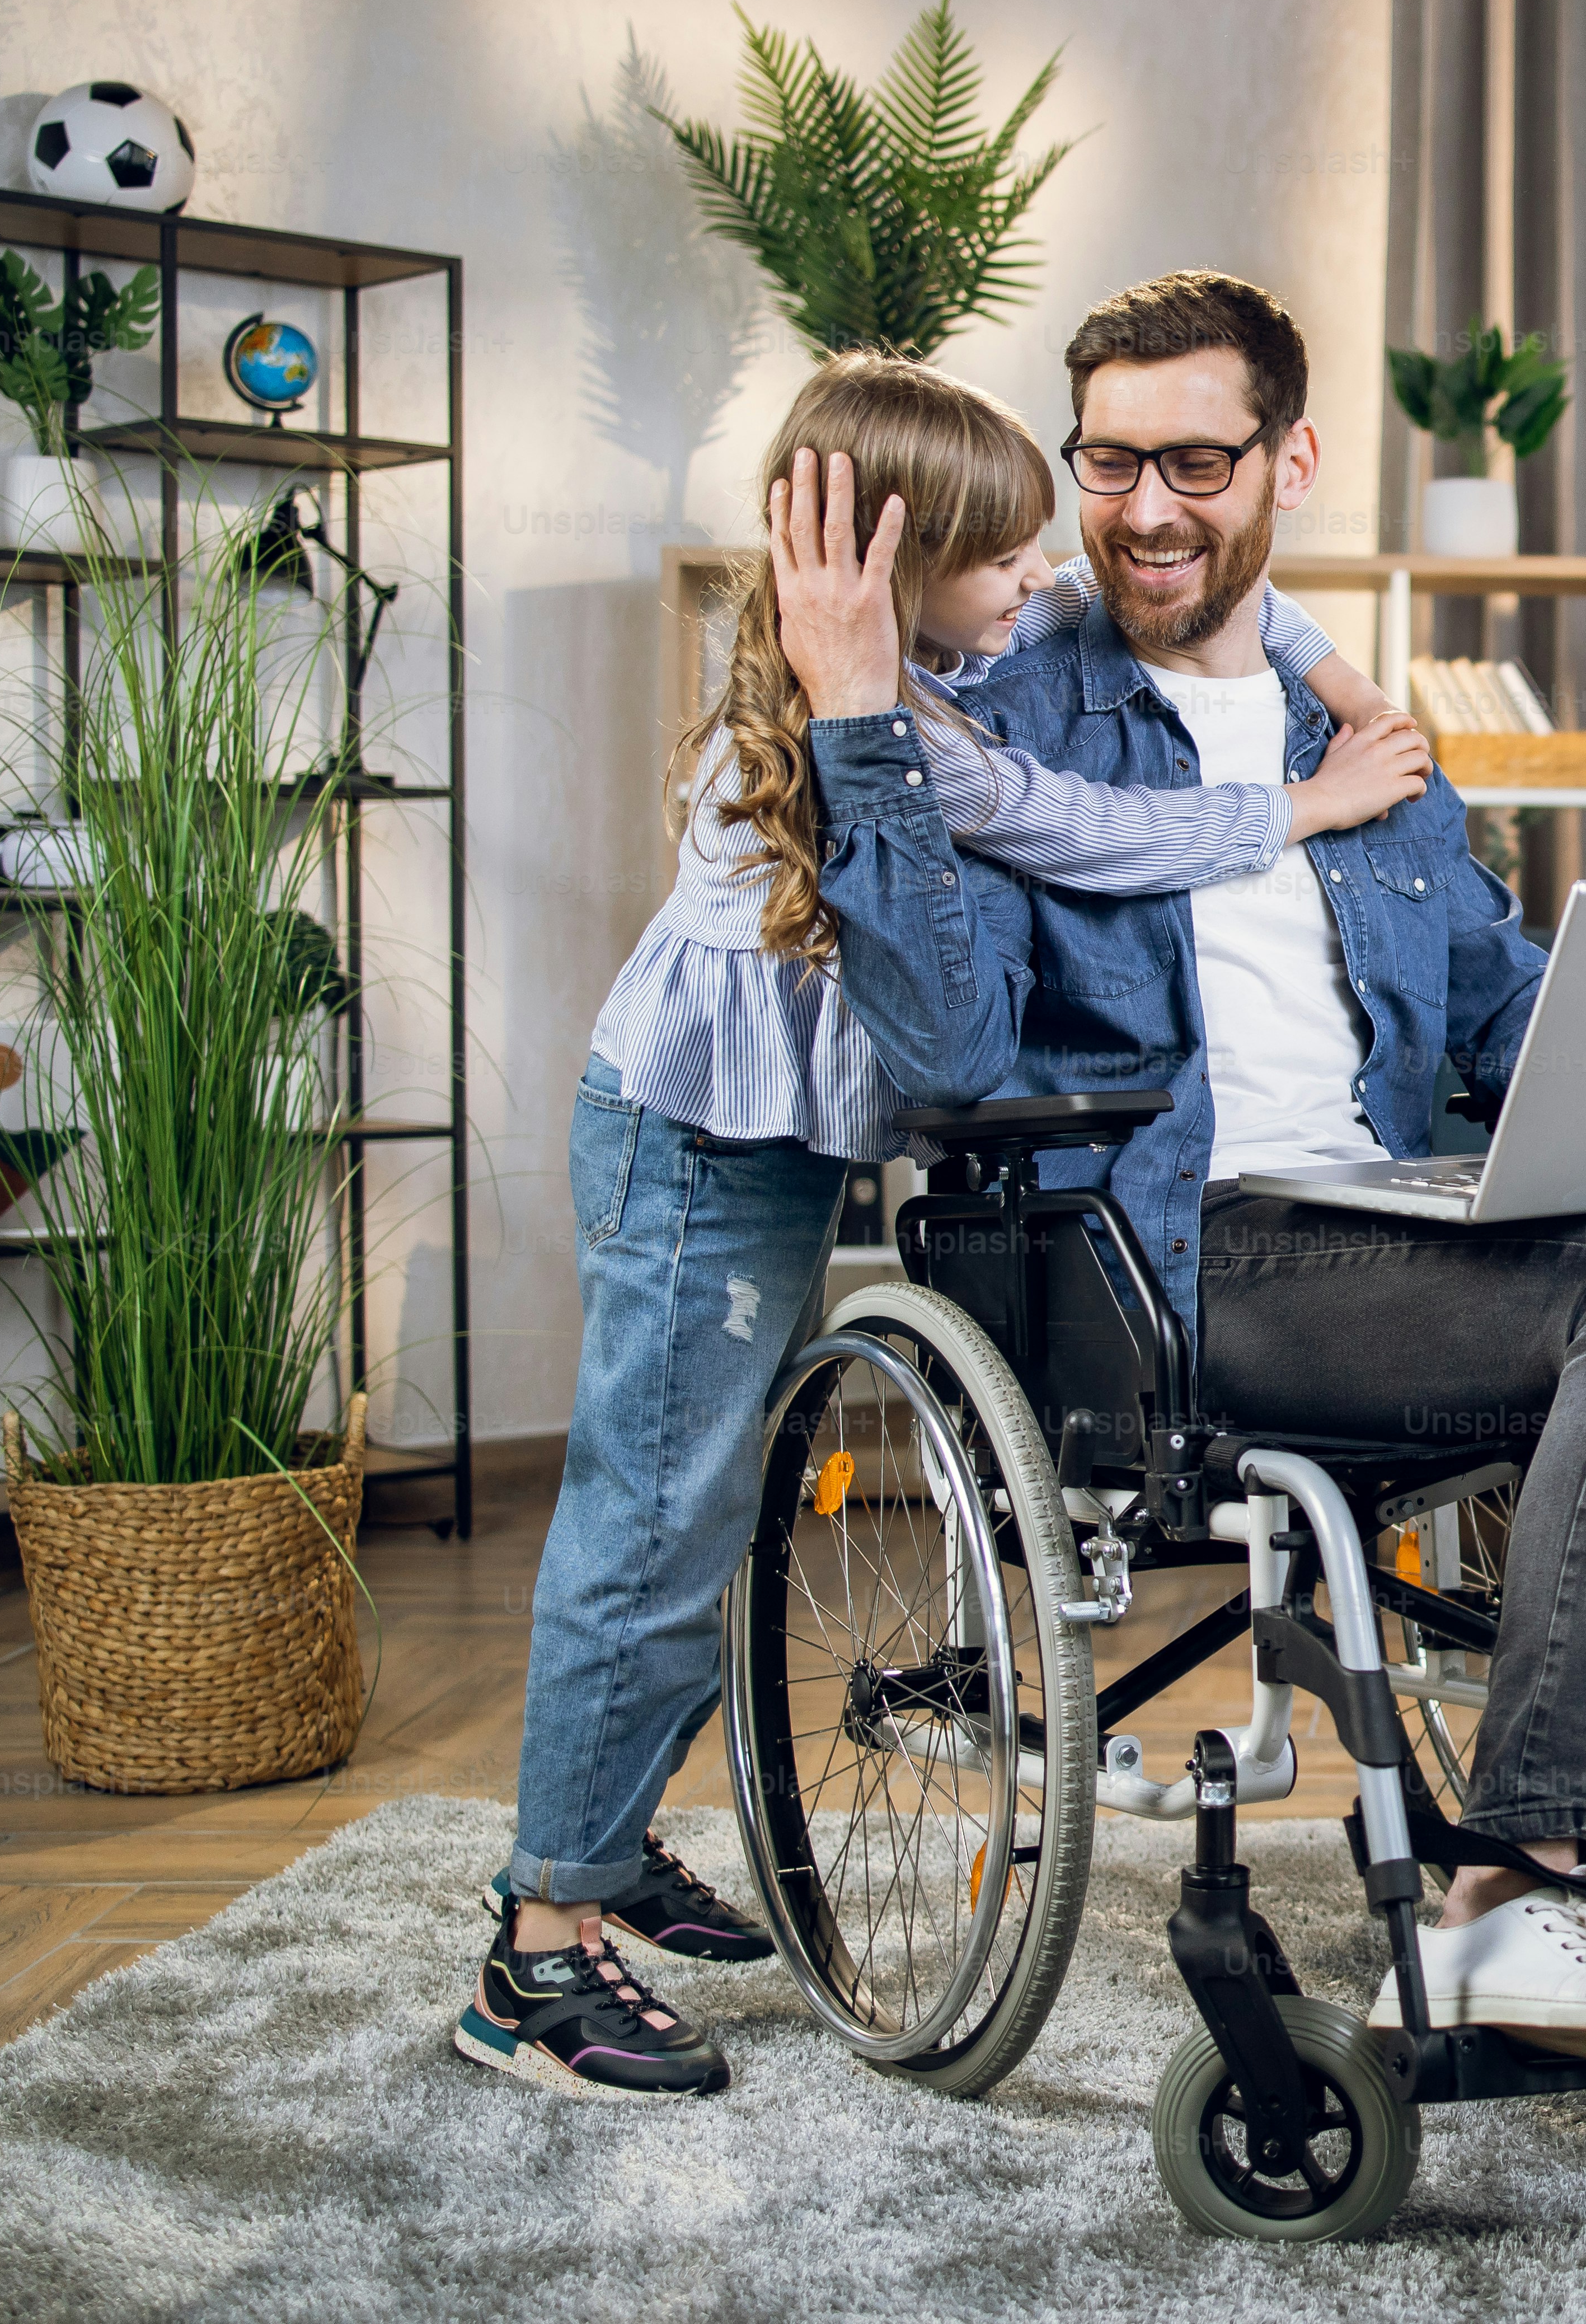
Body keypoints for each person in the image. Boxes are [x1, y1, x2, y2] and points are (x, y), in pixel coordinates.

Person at [790, 273, 1586, 2069]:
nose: (1146, 510)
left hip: (1383, 1227)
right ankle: (1514, 1886)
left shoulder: (1349, 738)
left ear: (1290, 458)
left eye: (1197, 463)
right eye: (1111, 463)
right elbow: (942, 1056)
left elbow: (1485, 1006)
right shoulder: (1005, 714)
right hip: (1169, 1264)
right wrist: (859, 723)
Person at [458, 352, 1434, 2102]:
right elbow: (1089, 827)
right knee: (654, 1526)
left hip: (764, 1153)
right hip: (693, 1149)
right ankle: (536, 1951)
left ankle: (597, 1851)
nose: (1038, 583)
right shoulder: (875, 739)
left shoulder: (937, 683)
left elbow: (1240, 618)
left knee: (700, 1523)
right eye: (1000, 561)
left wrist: (1339, 693)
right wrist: (1298, 808)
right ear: (898, 575)